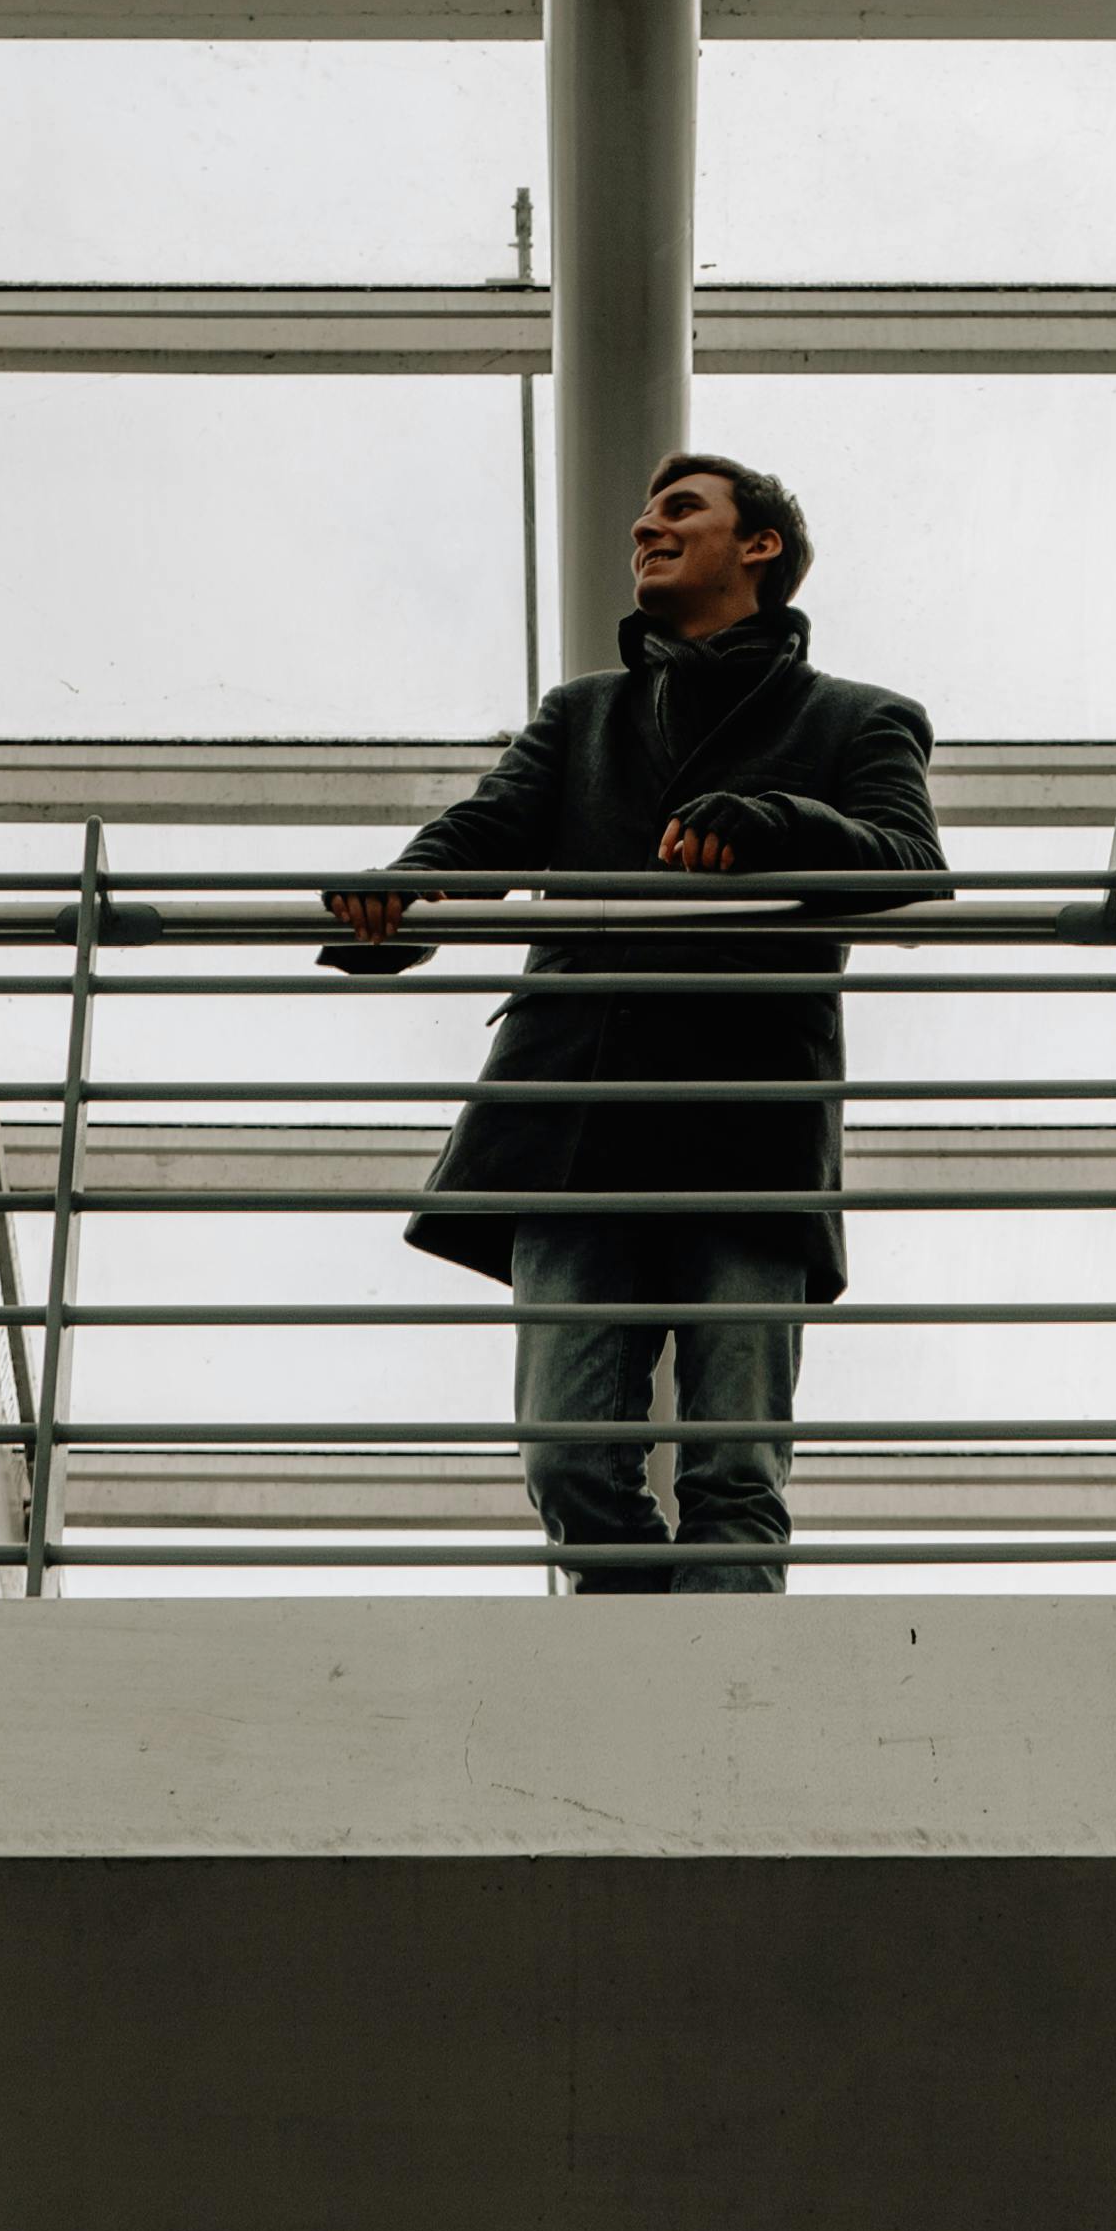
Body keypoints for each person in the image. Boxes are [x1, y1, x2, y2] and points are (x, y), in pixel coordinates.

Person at [322, 452, 943, 1588]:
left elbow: (912, 871)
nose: (643, 528)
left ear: (757, 548)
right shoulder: (586, 711)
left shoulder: (859, 718)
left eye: (678, 511)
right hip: (573, 1114)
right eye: (644, 511)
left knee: (734, 1472)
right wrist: (401, 890)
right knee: (566, 1455)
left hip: (747, 1120)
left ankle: (705, 1704)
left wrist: (777, 821)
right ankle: (647, 1677)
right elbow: (489, 828)